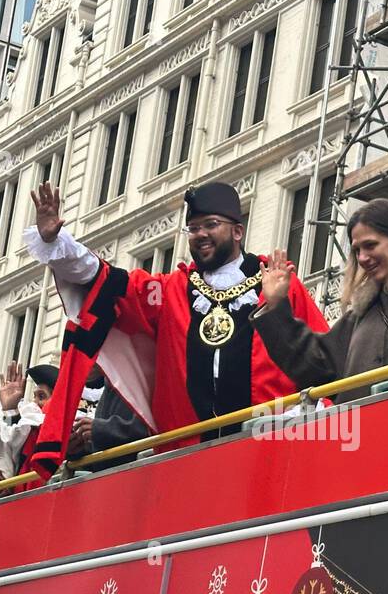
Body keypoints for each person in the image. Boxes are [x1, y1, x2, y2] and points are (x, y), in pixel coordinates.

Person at [22, 180, 328, 478]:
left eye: (210, 224)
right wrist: (57, 244)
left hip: (269, 454)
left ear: (237, 231)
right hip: (185, 465)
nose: (200, 235)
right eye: (193, 228)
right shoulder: (170, 291)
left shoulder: (278, 283)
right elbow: (107, 281)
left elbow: (323, 363)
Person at [252, 199, 388, 402]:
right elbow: (317, 367)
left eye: (370, 245)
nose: (362, 258)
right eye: (357, 250)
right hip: (361, 431)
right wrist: (277, 306)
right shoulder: (361, 315)